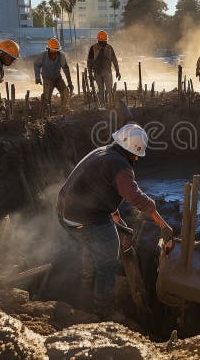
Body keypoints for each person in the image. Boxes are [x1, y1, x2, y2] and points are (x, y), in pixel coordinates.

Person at [57, 123, 174, 316]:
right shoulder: (121, 167)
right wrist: (163, 225)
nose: (137, 158)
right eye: (137, 155)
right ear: (131, 152)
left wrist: (116, 217)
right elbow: (137, 199)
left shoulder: (104, 153)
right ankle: (103, 308)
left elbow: (98, 189)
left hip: (65, 213)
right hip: (82, 217)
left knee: (94, 245)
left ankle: (87, 283)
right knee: (109, 256)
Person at [34, 38, 73, 115]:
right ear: (48, 48)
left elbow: (65, 68)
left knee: (65, 92)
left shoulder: (61, 56)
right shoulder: (42, 56)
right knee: (47, 97)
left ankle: (63, 110)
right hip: (47, 79)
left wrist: (69, 82)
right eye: (53, 49)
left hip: (57, 78)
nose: (55, 51)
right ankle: (47, 113)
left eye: (56, 50)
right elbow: (36, 65)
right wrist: (37, 77)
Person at [87, 30, 121, 106]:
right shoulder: (93, 48)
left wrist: (117, 71)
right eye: (101, 42)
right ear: (98, 41)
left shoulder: (109, 48)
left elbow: (114, 60)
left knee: (109, 89)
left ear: (106, 41)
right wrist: (90, 74)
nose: (103, 44)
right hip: (97, 73)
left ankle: (110, 104)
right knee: (101, 90)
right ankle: (102, 105)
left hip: (107, 72)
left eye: (104, 42)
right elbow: (89, 62)